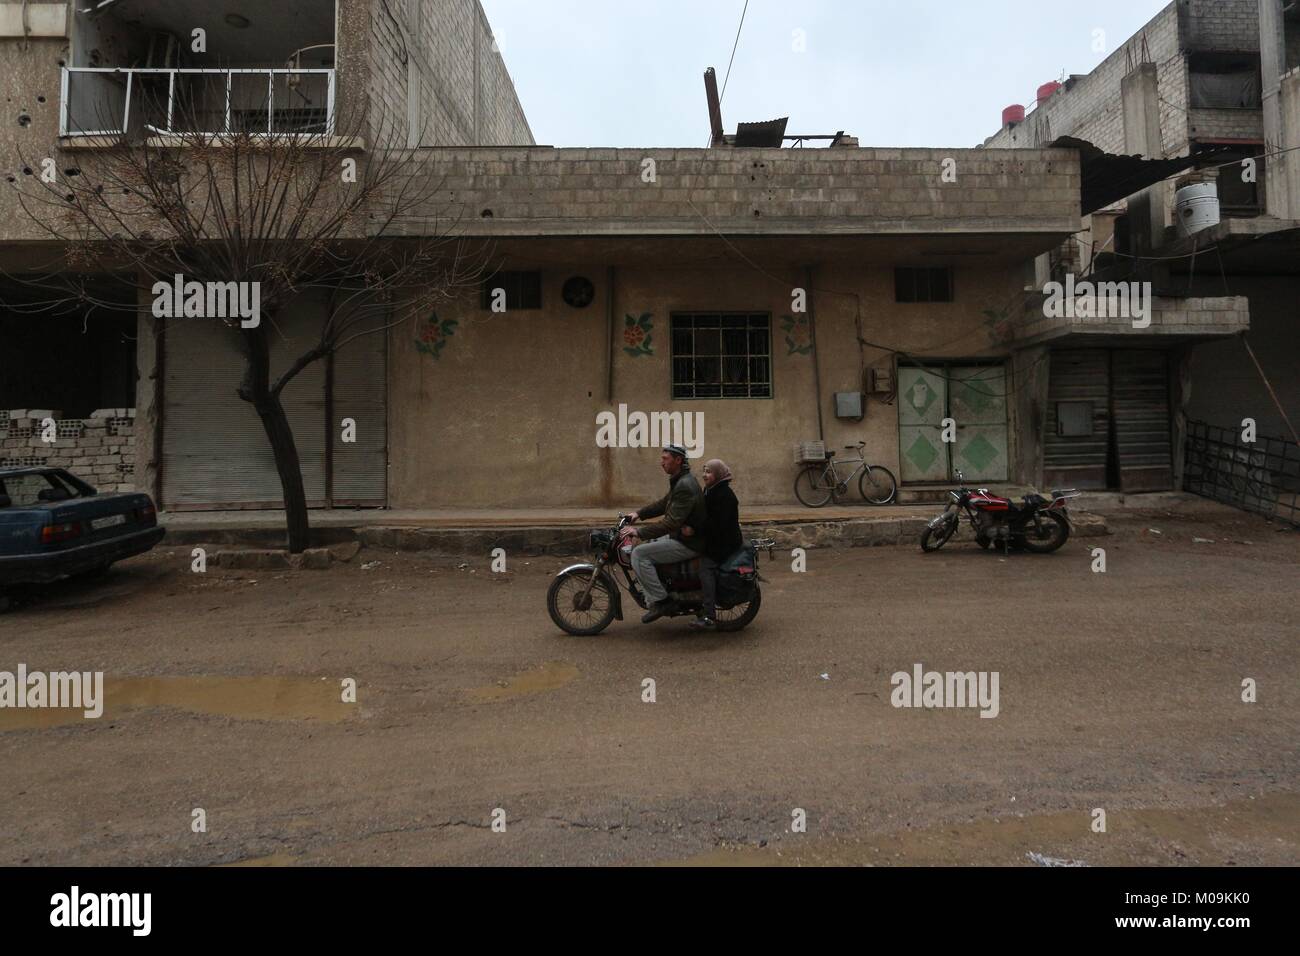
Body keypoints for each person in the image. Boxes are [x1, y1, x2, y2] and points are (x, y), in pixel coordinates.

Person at [626, 443, 707, 623]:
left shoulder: (684, 485)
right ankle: (662, 588)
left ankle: (662, 601)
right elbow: (664, 503)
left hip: (690, 543)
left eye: (665, 459)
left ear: (678, 460)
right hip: (684, 536)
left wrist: (639, 532)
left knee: (639, 554)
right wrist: (639, 514)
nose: (661, 463)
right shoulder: (681, 480)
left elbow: (671, 523)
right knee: (650, 544)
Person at [681, 458, 742, 630]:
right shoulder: (711, 490)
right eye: (704, 471)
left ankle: (709, 616)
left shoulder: (725, 496)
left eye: (709, 472)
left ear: (719, 474)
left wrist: (694, 530)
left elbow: (716, 524)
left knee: (705, 567)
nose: (704, 475)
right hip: (715, 539)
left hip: (724, 544)